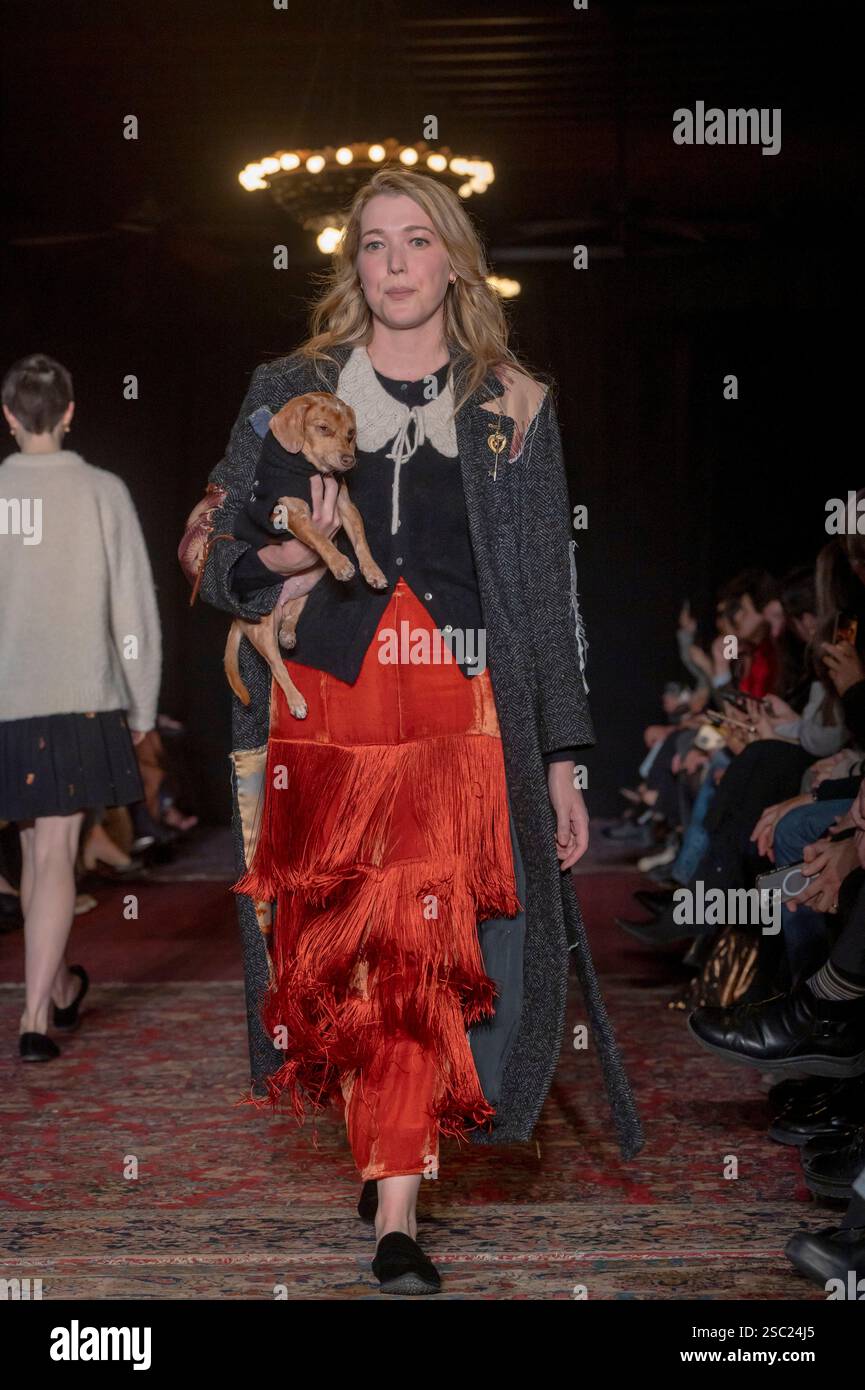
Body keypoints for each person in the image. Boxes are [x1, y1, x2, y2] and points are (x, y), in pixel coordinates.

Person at [195, 167, 642, 1295]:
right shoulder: (286, 387)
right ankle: (385, 1131)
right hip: (326, 713)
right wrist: (280, 564)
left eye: (415, 240)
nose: (392, 261)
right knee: (334, 951)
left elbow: (547, 589)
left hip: (455, 707)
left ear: (453, 257)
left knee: (420, 957)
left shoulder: (511, 403)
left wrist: (562, 757)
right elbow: (212, 542)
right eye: (372, 243)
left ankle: (398, 1203)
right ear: (355, 267)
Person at [0, 354, 162, 1060]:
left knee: (39, 850)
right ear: (69, 413)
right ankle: (37, 1015)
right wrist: (143, 704)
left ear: (9, 417)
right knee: (57, 850)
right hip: (81, 694)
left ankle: (57, 988)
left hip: (10, 697)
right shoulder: (103, 491)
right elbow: (133, 608)